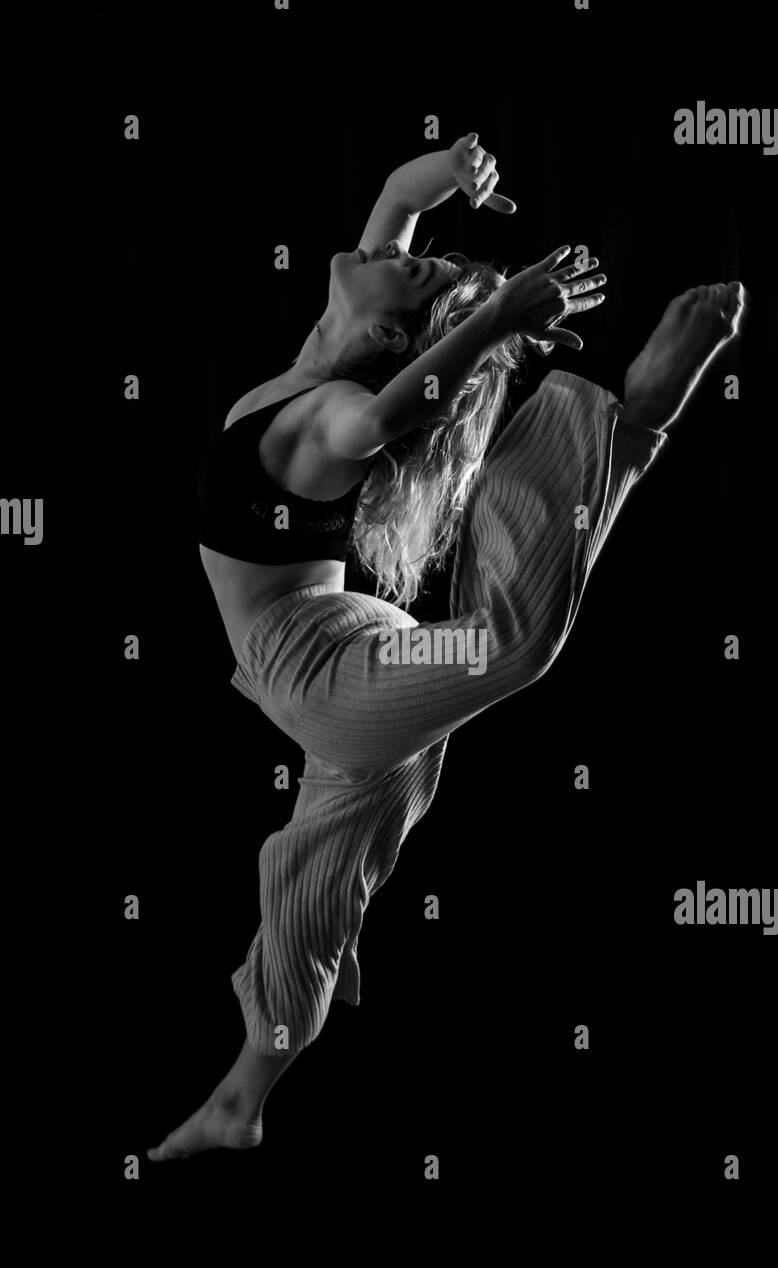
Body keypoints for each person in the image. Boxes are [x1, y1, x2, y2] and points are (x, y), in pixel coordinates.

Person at [148, 133, 744, 1161]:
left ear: (388, 325)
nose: (393, 247)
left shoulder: (335, 410)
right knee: (311, 890)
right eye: (408, 255)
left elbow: (391, 411)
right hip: (344, 662)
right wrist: (451, 174)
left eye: (407, 264)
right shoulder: (322, 352)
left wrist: (504, 316)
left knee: (510, 643)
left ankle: (633, 425)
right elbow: (392, 197)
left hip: (324, 675)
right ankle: (243, 1101)